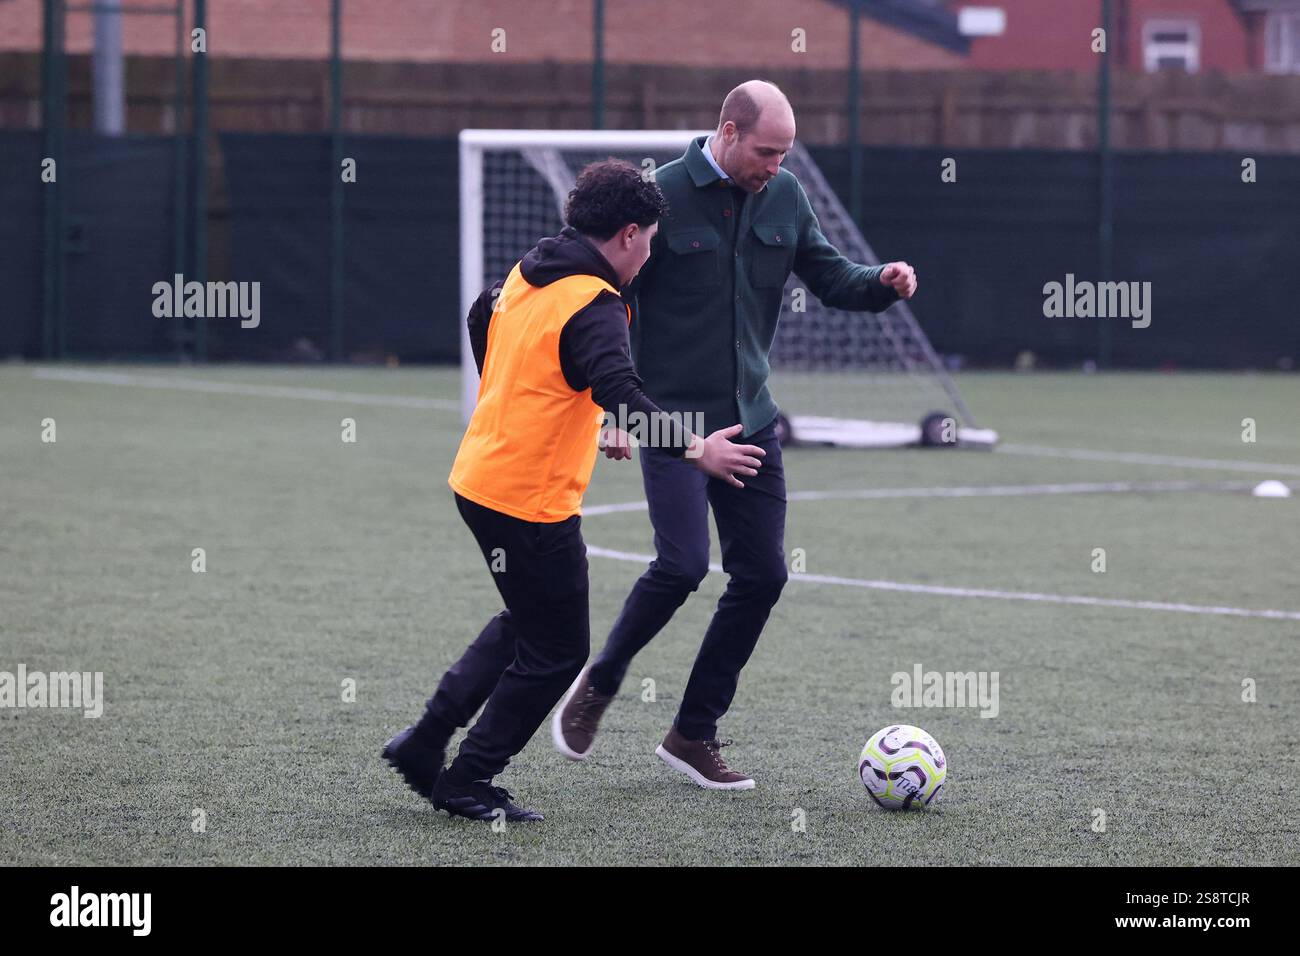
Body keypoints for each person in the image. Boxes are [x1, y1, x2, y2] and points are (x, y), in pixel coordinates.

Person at [553, 81, 918, 790]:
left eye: (785, 153)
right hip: (671, 422)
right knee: (684, 565)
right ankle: (601, 679)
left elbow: (832, 276)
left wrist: (882, 281)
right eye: (766, 151)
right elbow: (605, 304)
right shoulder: (654, 198)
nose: (776, 166)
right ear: (727, 130)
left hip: (750, 420)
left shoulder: (785, 197)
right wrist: (611, 415)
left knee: (764, 575)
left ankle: (693, 732)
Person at [382, 160, 765, 822]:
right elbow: (622, 389)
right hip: (527, 500)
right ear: (626, 234)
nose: (648, 253)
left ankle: (423, 742)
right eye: (648, 238)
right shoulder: (596, 301)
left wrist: (577, 415)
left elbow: (490, 322)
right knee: (559, 650)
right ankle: (468, 777)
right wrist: (698, 447)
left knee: (528, 623)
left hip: (481, 478)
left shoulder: (532, 269)